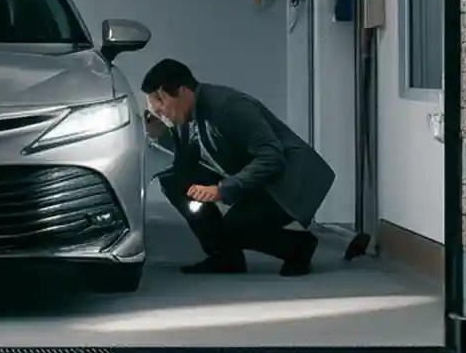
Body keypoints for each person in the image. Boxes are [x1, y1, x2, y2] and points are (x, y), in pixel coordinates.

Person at [140, 58, 335, 276]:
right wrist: (160, 135)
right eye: (154, 105)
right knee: (173, 179)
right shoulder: (185, 115)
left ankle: (299, 247)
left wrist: (223, 189)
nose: (158, 110)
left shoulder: (228, 107)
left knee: (234, 227)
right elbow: (186, 162)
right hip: (255, 175)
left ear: (183, 91)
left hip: (290, 181)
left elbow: (272, 156)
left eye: (161, 101)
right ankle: (224, 257)